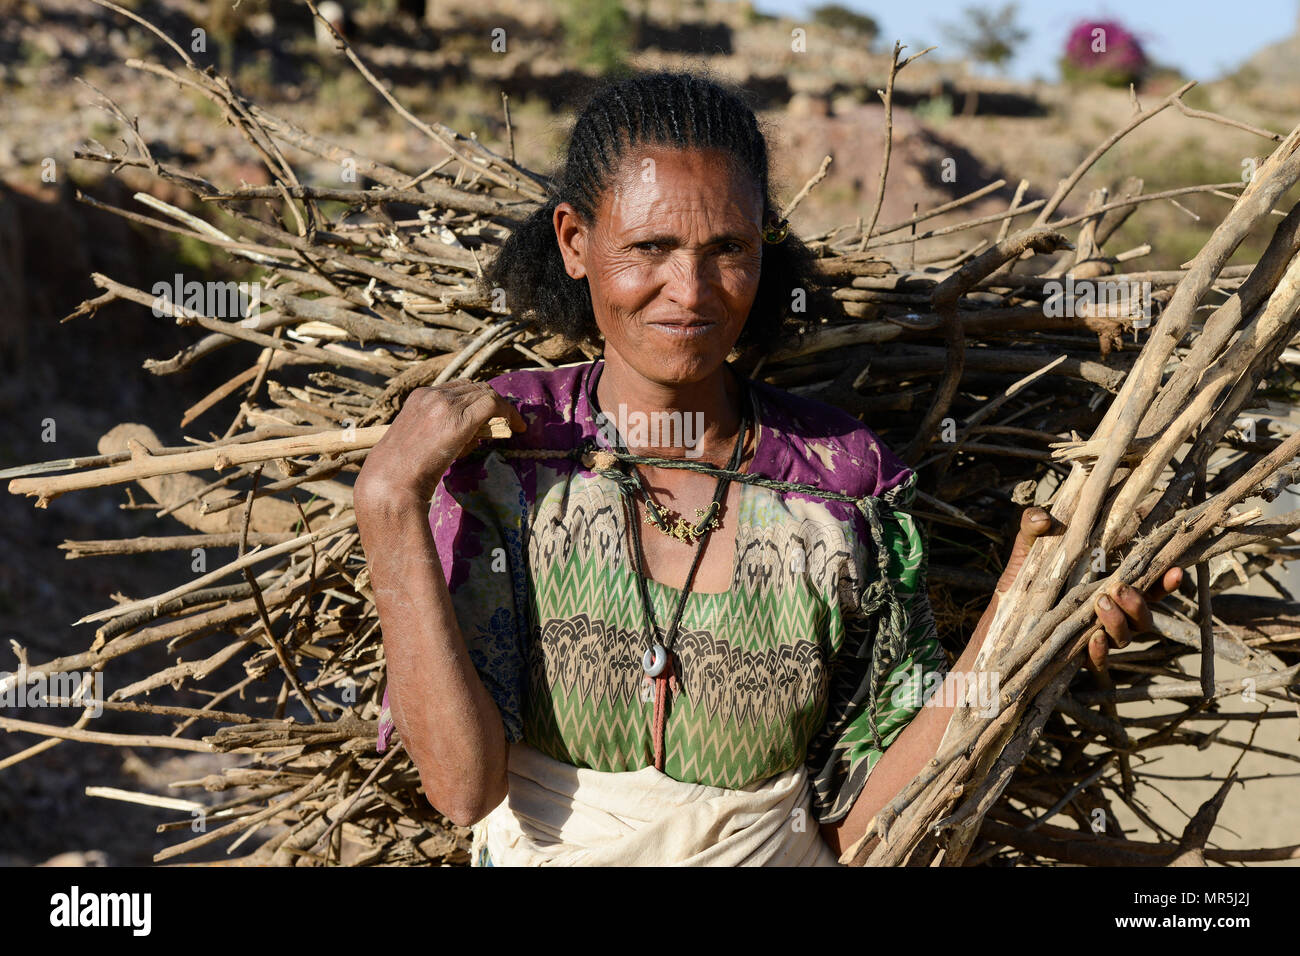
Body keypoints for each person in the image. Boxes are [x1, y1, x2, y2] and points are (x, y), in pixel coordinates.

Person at [353, 71, 1183, 866]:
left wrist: (1021, 622)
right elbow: (463, 791)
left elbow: (863, 832)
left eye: (728, 249)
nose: (690, 290)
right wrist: (388, 503)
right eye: (650, 246)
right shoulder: (511, 464)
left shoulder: (841, 491)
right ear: (576, 242)